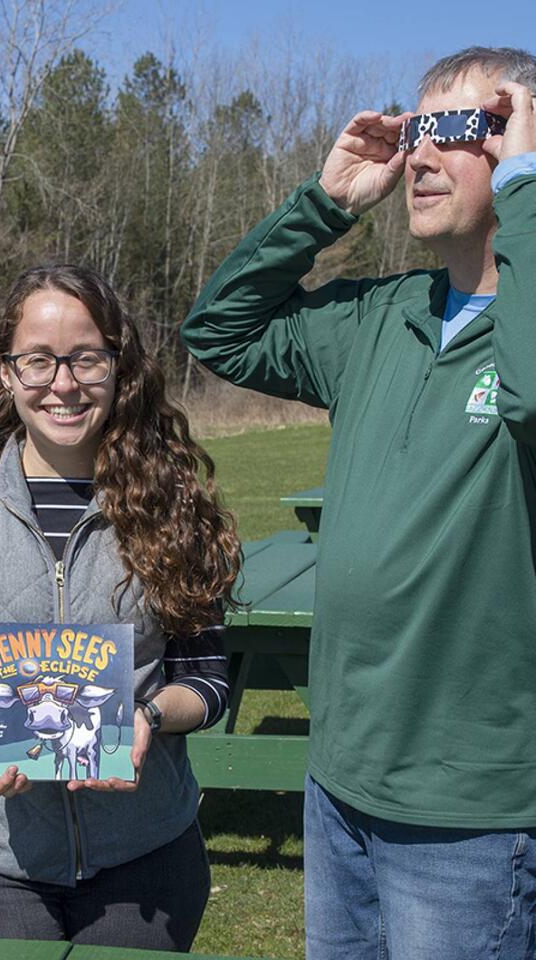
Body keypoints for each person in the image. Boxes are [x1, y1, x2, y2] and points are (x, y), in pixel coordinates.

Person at [181, 45, 536, 960]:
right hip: (340, 788)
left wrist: (531, 191)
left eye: (458, 130)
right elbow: (220, 329)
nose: (418, 155)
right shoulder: (383, 315)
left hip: (472, 816)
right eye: (414, 130)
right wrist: (324, 204)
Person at [0, 264, 239, 952]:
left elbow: (209, 682)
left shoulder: (171, 507)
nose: (63, 384)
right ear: (6, 372)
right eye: (39, 361)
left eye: (86, 358)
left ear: (118, 367)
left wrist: (147, 717)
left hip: (145, 857)